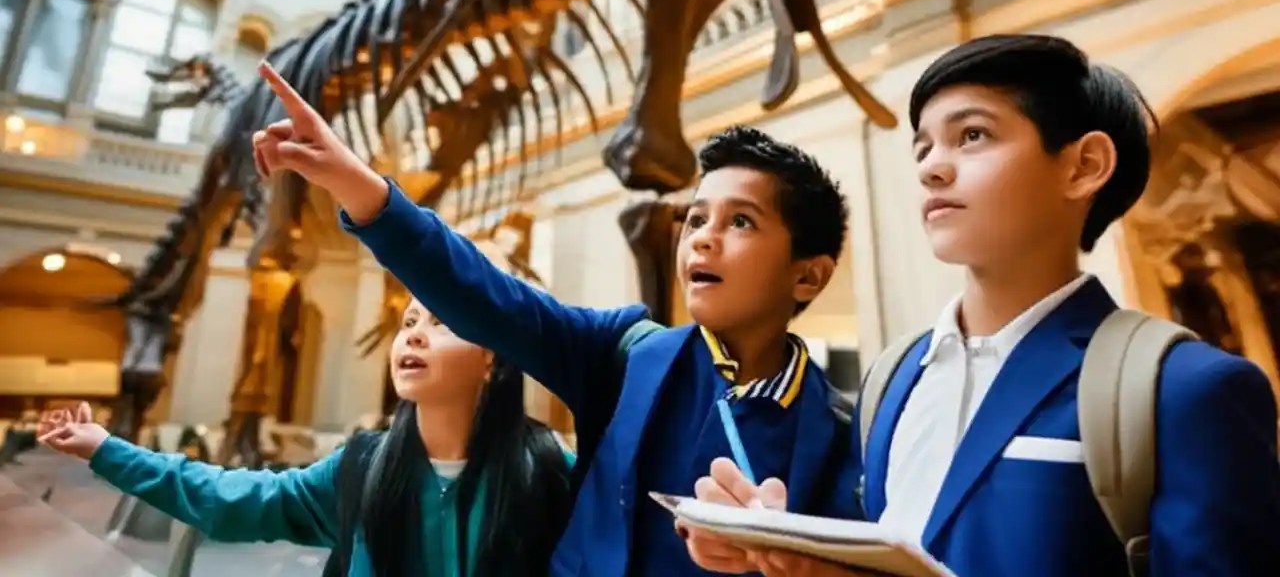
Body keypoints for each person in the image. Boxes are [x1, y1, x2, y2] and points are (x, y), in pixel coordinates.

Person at [683, 34, 1280, 576]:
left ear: (1084, 166)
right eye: (923, 148)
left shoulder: (1185, 392)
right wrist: (786, 546)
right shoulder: (891, 382)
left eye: (973, 135)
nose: (932, 169)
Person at [250, 61, 859, 575]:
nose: (701, 238)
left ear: (808, 275)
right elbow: (483, 293)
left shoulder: (840, 433)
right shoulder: (623, 352)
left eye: (741, 221)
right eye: (696, 218)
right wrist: (353, 183)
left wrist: (789, 561)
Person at [37, 297, 574, 577]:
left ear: (492, 360)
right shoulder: (362, 466)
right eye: (409, 321)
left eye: (442, 323)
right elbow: (234, 499)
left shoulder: (549, 468)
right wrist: (105, 449)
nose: (413, 335)